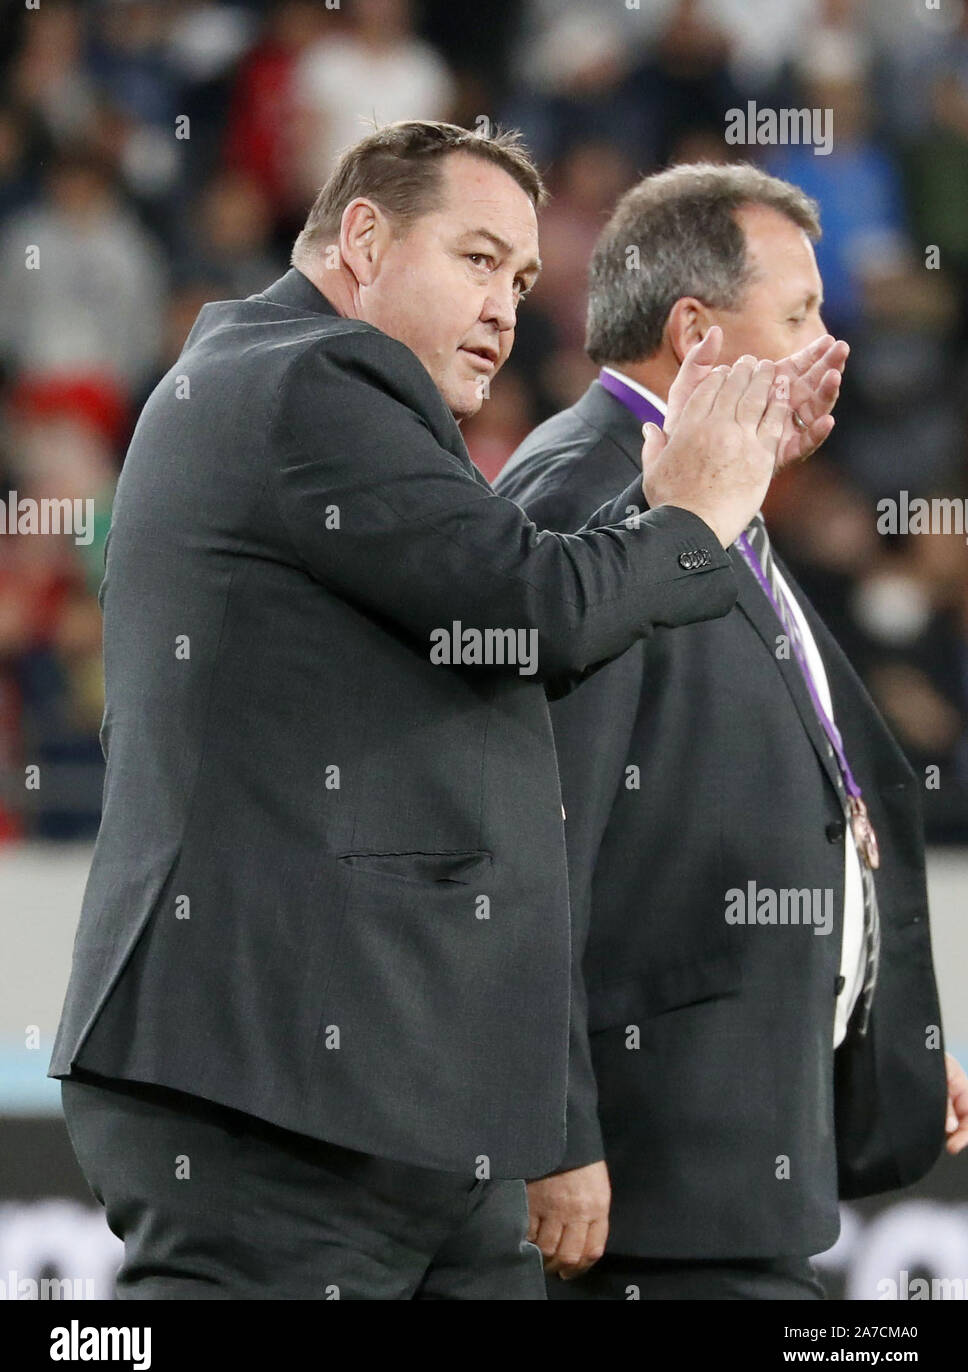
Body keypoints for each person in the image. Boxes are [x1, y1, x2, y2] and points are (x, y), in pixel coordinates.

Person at [45, 125, 832, 1301]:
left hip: (395, 1097)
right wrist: (687, 514)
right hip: (277, 1094)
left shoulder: (318, 396)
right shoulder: (308, 378)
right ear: (361, 239)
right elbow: (534, 607)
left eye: (520, 278)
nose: (505, 306)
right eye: (473, 259)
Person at [496, 162, 968, 1301]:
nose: (828, 341)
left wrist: (868, 1007)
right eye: (797, 313)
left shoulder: (712, 491)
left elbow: (763, 784)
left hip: (728, 1155)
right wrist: (554, 1128)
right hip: (652, 1180)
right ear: (694, 332)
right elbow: (530, 841)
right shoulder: (582, 492)